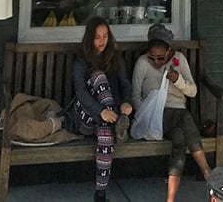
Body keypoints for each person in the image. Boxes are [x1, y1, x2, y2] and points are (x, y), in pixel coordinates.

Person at [132, 23, 211, 202]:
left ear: (169, 51)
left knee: (179, 138)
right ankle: (207, 172)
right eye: (153, 58)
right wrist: (146, 112)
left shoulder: (180, 61)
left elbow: (192, 91)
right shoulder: (142, 63)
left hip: (177, 114)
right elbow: (135, 96)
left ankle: (170, 198)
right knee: (184, 117)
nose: (156, 62)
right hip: (153, 117)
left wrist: (178, 80)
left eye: (161, 58)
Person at [62, 17, 133, 202]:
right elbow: (81, 93)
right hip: (84, 116)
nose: (102, 41)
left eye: (105, 36)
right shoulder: (81, 60)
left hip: (106, 120)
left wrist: (126, 101)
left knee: (105, 135)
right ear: (89, 39)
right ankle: (118, 126)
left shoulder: (115, 58)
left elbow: (125, 84)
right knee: (98, 76)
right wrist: (102, 111)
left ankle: (100, 194)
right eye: (97, 37)